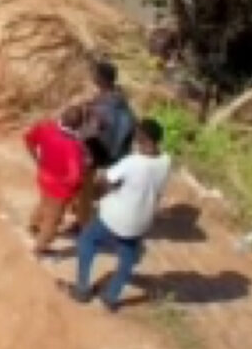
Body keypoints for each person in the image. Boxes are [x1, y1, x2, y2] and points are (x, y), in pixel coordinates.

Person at [73, 119, 172, 311]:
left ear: (142, 139)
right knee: (127, 256)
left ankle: (82, 288)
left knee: (87, 240)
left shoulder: (132, 162)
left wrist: (98, 193)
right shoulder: (166, 160)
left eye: (137, 136)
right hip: (142, 219)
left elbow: (106, 181)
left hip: (117, 217)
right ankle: (111, 297)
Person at [69, 61, 139, 232]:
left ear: (101, 79)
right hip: (117, 153)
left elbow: (92, 130)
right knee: (106, 189)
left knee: (83, 188)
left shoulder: (101, 107)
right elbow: (133, 125)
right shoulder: (122, 100)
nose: (93, 77)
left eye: (95, 74)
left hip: (96, 152)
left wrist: (75, 137)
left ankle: (82, 223)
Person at [24, 108, 92, 257]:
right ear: (78, 126)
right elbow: (75, 176)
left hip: (44, 177)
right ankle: (40, 248)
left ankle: (33, 226)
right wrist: (76, 189)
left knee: (44, 202)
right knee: (53, 220)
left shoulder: (45, 127)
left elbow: (28, 139)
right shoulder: (73, 147)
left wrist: (36, 158)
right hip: (60, 189)